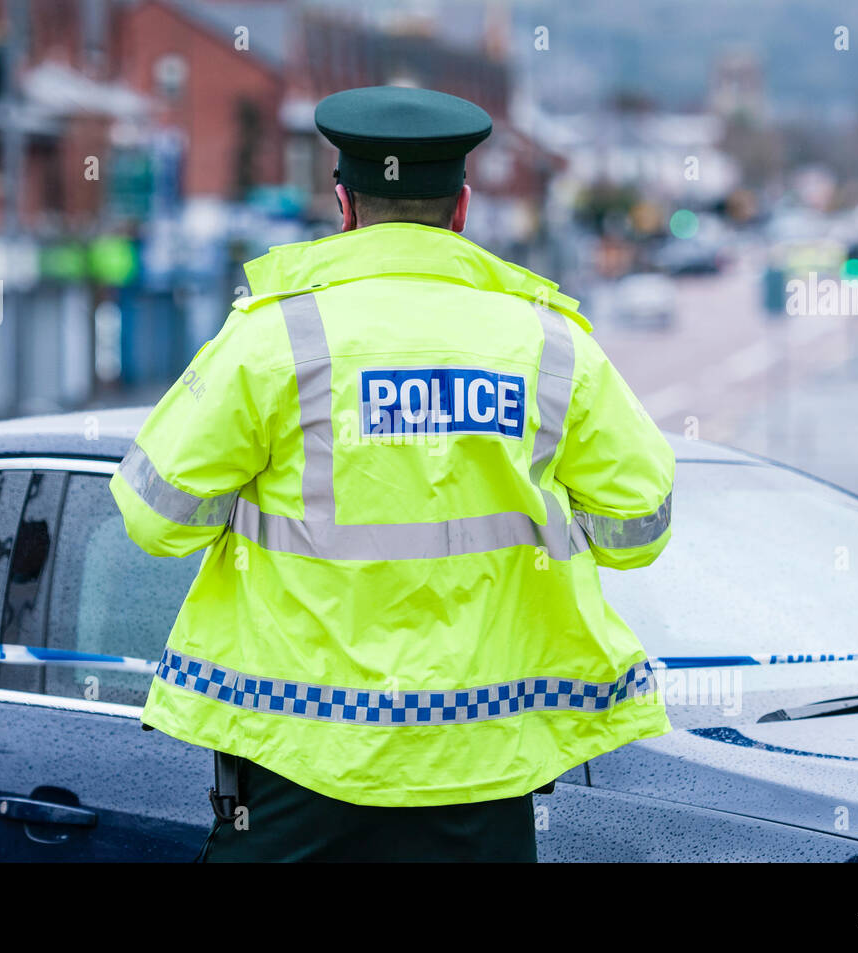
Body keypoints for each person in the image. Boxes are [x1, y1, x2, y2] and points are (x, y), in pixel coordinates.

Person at [111, 86, 675, 862]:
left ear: (341, 204)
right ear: (463, 207)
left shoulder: (276, 336)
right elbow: (637, 527)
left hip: (295, 775)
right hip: (485, 783)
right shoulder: (551, 344)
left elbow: (155, 519)